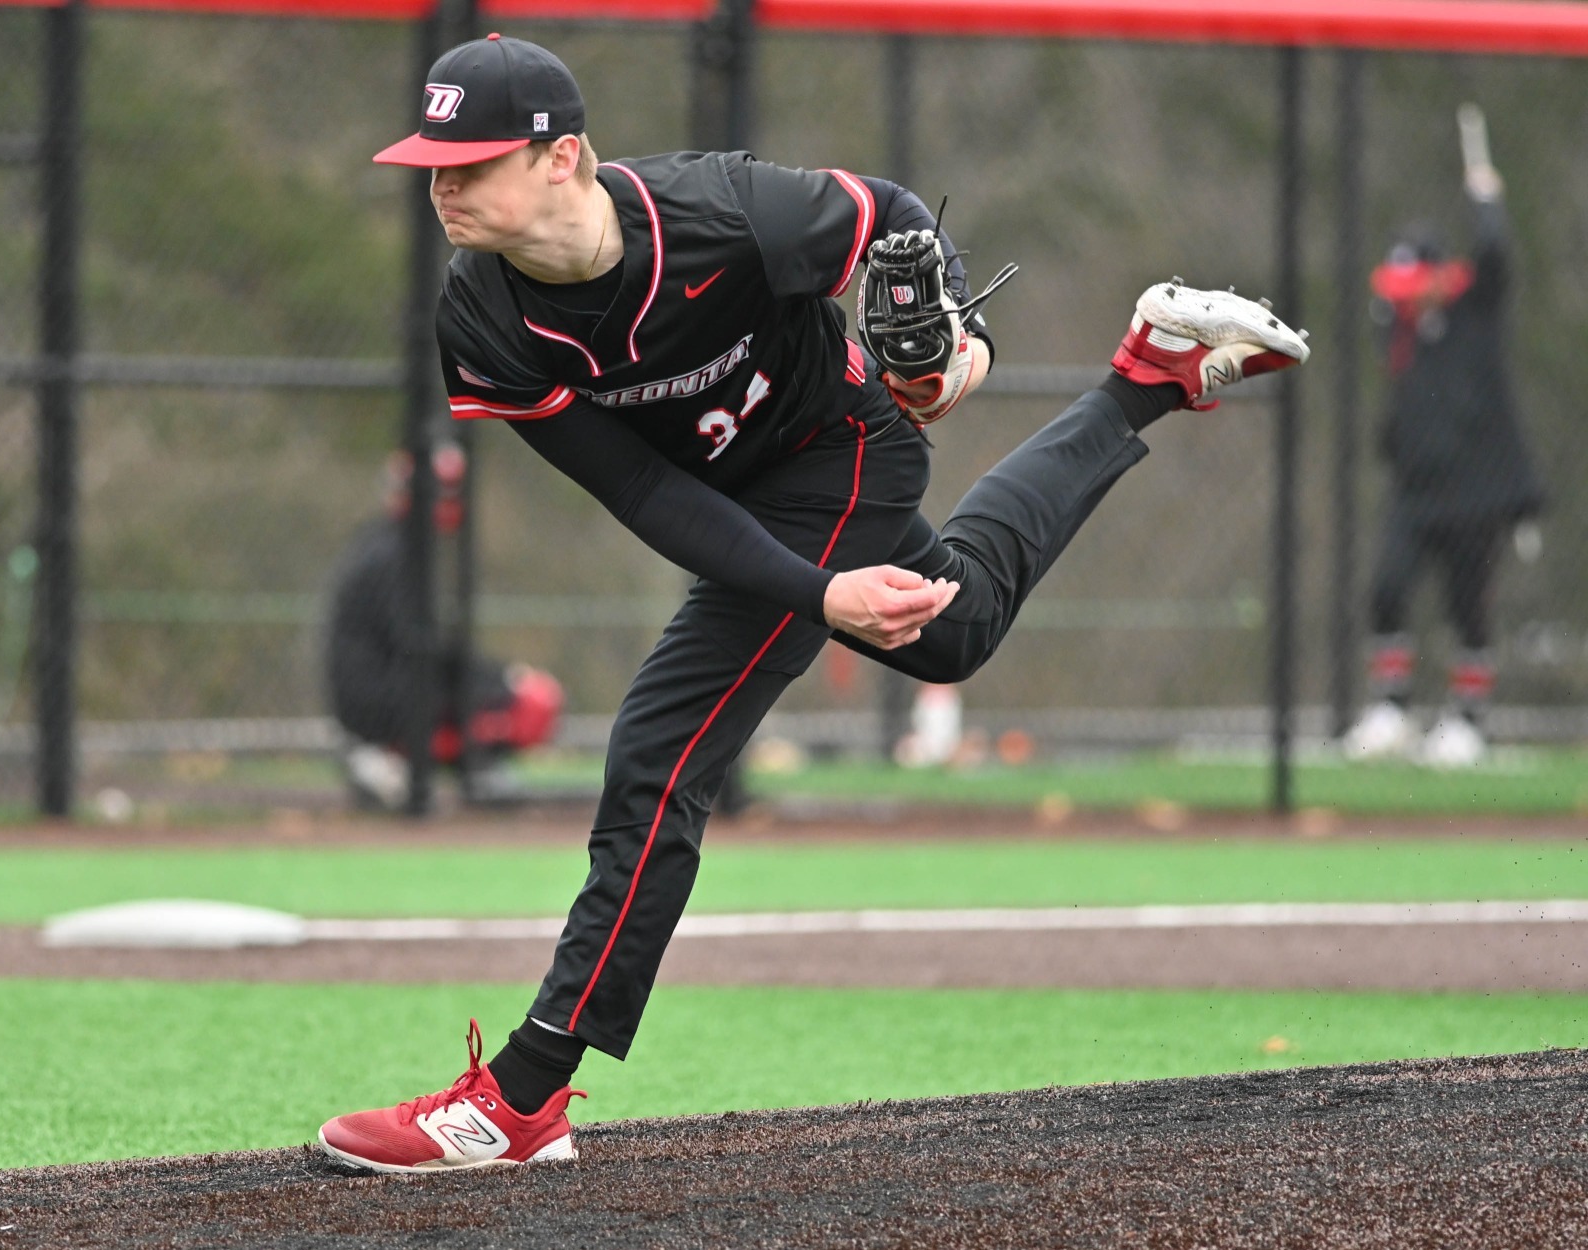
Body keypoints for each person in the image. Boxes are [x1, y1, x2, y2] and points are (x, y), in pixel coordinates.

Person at [316, 33, 1306, 1174]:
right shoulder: (478, 318)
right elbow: (638, 485)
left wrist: (949, 343)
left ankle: (523, 1098)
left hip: (843, 454)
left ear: (560, 157)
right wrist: (816, 591)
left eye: (471, 159)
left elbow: (888, 216)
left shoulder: (721, 214)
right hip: (754, 512)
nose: (442, 185)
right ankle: (1148, 375)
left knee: (658, 745)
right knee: (957, 628)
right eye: (432, 162)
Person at [1341, 147, 1541, 769]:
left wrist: (1487, 200)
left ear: (1437, 274)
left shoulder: (1473, 313)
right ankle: (1391, 708)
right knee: (1387, 587)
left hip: (1477, 491)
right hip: (1416, 489)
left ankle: (1467, 721)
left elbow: (1496, 258)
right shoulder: (1398, 331)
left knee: (1466, 603)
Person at [324, 442, 564, 809]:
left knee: (510, 693)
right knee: (531, 703)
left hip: (386, 685)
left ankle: (442, 765)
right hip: (376, 698)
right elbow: (417, 646)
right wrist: (503, 678)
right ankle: (387, 760)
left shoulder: (395, 545)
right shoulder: (392, 553)